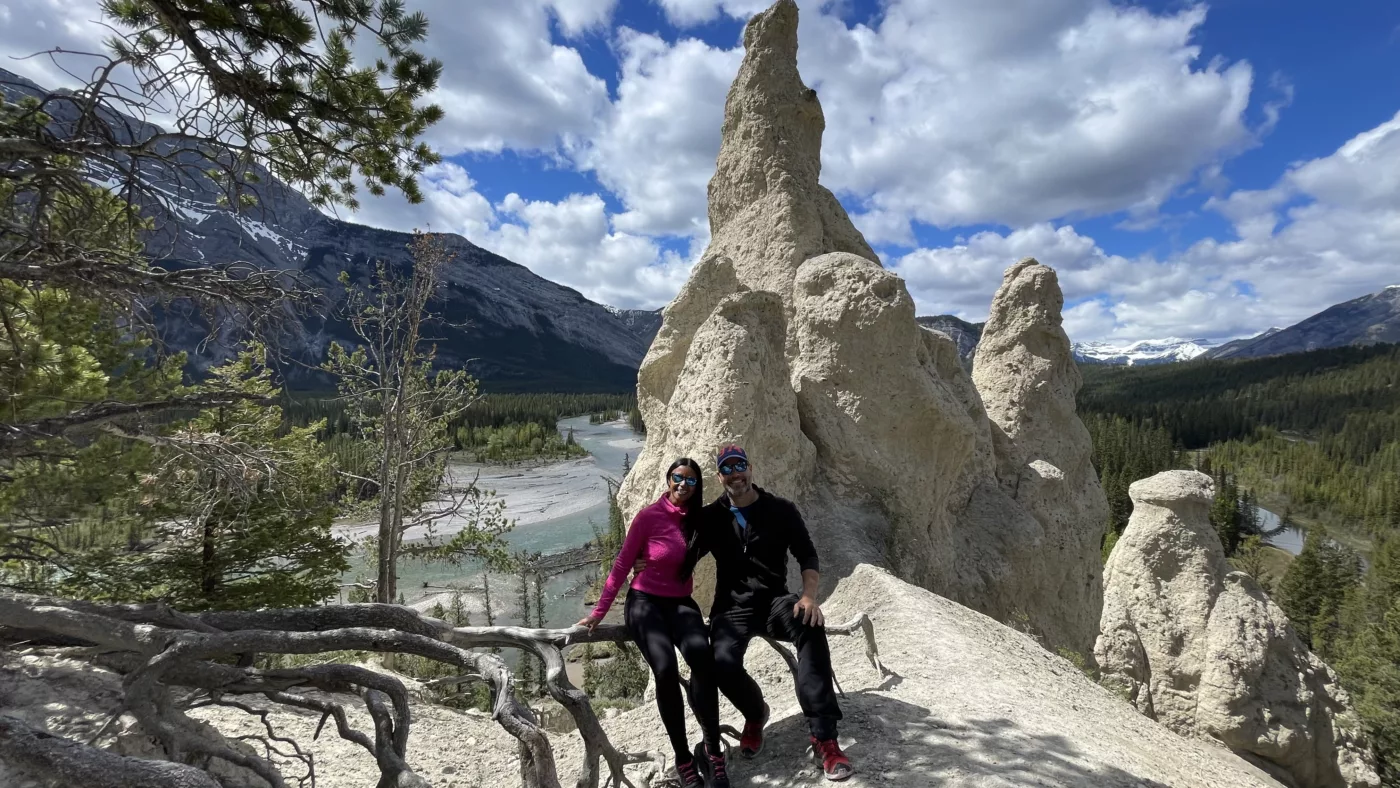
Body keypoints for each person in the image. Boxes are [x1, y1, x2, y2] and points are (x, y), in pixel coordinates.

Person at [690, 444, 853, 781]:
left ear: (751, 469)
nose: (736, 474)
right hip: (730, 608)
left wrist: (808, 597)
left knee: (810, 627)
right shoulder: (710, 517)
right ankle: (755, 713)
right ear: (719, 476)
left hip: (774, 602)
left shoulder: (780, 510)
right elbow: (683, 555)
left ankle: (825, 738)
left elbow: (807, 556)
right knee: (720, 663)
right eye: (727, 469)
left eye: (740, 466)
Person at [576, 458, 728, 788]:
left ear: (697, 485)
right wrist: (599, 613)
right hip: (644, 604)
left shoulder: (699, 522)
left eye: (690, 480)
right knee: (664, 669)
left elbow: (727, 537)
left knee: (703, 657)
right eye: (677, 478)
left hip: (680, 604)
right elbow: (620, 567)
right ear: (668, 479)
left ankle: (713, 751)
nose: (682, 485)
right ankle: (683, 758)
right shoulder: (649, 517)